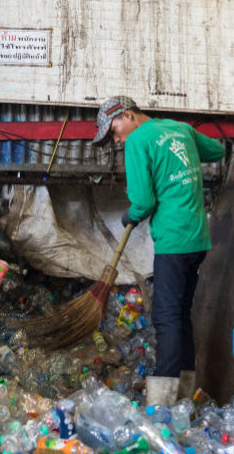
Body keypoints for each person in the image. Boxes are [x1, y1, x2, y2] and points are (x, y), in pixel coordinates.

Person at [91, 95, 225, 407]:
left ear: (127, 115)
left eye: (113, 130)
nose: (117, 139)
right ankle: (186, 395)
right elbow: (217, 150)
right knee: (181, 316)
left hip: (173, 241)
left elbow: (145, 202)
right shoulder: (180, 129)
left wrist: (130, 215)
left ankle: (163, 406)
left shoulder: (138, 140)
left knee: (166, 319)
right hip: (197, 240)